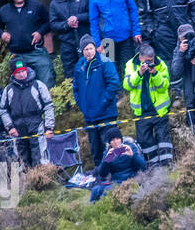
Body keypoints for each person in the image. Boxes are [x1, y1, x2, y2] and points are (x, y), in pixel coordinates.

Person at [73, 35, 122, 163]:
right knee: (96, 149)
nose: (89, 52)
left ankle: (116, 173)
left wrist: (103, 102)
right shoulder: (79, 66)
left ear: (95, 48)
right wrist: (82, 105)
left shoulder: (105, 62)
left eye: (90, 48)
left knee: (111, 147)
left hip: (106, 114)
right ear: (82, 51)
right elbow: (76, 88)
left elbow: (114, 84)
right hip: (90, 116)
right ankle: (100, 174)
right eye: (86, 49)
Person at [123, 43, 173, 166]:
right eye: (147, 61)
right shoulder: (131, 65)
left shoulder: (160, 64)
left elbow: (164, 87)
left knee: (163, 139)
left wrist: (155, 73)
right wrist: (139, 73)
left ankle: (168, 166)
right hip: (141, 112)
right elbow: (127, 85)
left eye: (152, 60)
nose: (150, 62)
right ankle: (153, 167)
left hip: (159, 110)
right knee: (145, 141)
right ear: (140, 58)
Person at [0, 0, 54, 87]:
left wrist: (40, 32)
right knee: (20, 85)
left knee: (47, 80)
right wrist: (2, 34)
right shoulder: (4, 10)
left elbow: (48, 22)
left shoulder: (36, 6)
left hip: (36, 52)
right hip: (16, 54)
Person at [0, 57, 54, 168]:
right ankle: (27, 183)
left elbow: (48, 106)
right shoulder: (8, 90)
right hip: (18, 130)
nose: (22, 74)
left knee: (40, 160)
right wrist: (10, 127)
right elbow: (3, 110)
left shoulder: (38, 85)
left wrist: (49, 127)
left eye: (23, 71)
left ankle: (43, 181)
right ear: (13, 74)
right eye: (18, 72)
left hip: (36, 126)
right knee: (22, 163)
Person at [90, 0, 142, 72]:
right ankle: (114, 89)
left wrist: (136, 31)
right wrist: (97, 43)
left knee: (128, 66)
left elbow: (133, 10)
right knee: (110, 69)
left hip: (125, 35)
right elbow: (93, 21)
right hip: (107, 38)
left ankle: (128, 88)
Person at [50, 0, 91, 83]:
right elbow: (53, 25)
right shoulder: (54, 4)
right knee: (70, 73)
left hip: (86, 39)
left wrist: (78, 18)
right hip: (67, 43)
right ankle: (74, 97)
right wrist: (66, 24)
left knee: (91, 69)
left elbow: (93, 14)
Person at [90, 126, 147, 201]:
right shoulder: (108, 152)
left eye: (117, 138)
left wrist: (133, 156)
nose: (116, 142)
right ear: (109, 142)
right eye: (113, 140)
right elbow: (102, 174)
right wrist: (106, 161)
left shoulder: (130, 147)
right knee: (95, 190)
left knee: (106, 193)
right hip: (115, 181)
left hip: (131, 179)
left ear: (121, 139)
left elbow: (144, 166)